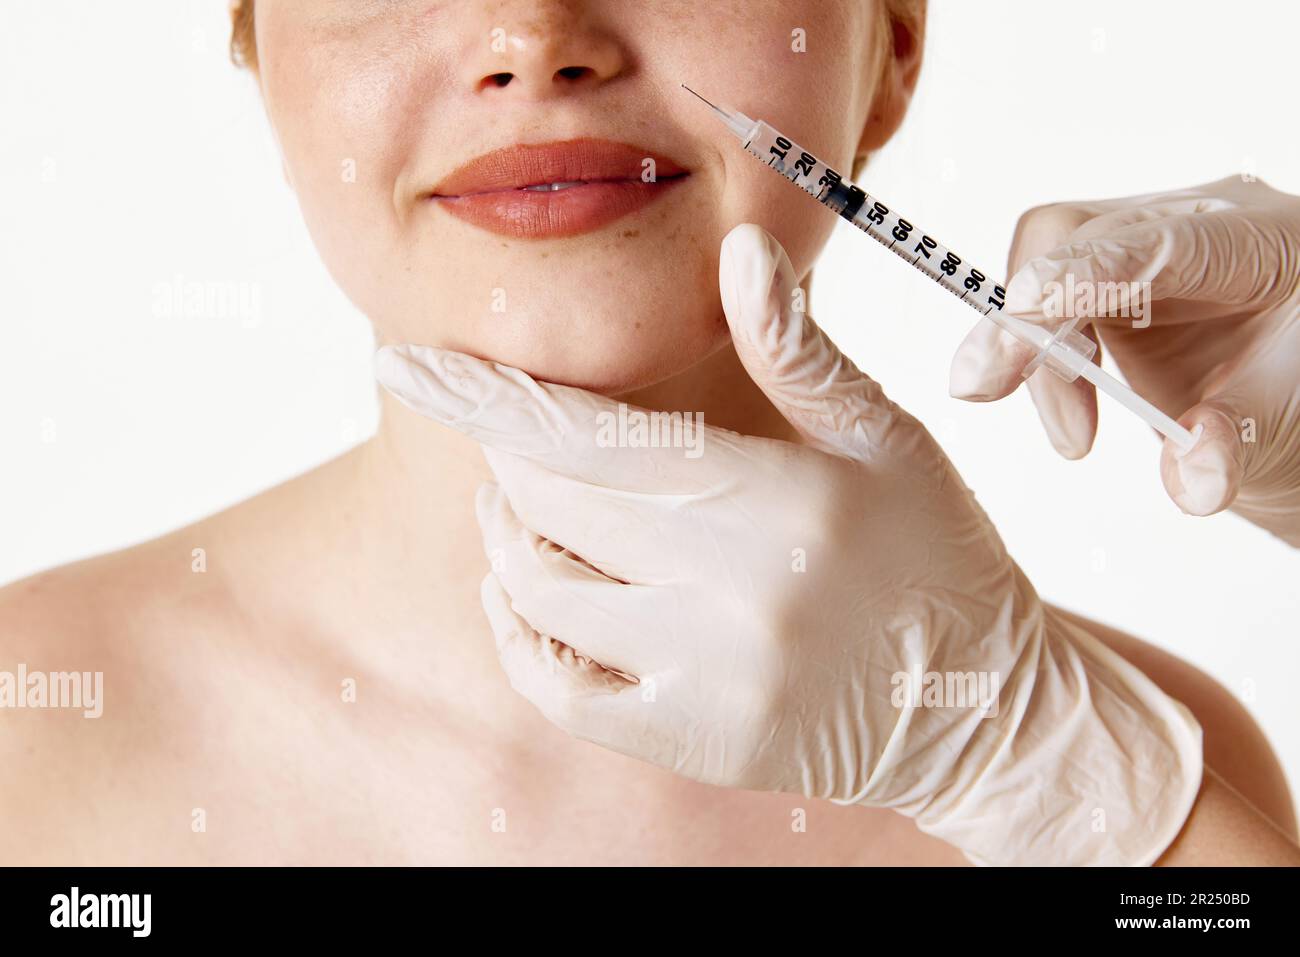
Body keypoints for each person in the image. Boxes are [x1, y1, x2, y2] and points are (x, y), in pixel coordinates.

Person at [0, 0, 1295, 865]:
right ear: (258, 59)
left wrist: (1053, 778)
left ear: (890, 48)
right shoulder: (27, 730)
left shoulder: (1137, 768)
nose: (532, 38)